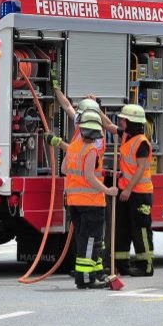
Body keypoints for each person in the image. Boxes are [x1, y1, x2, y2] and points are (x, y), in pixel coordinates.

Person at [51, 110, 117, 289]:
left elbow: (65, 169)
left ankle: (92, 272)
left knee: (84, 239)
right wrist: (108, 190)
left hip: (74, 202)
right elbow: (90, 177)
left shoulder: (73, 146)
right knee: (90, 240)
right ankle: (86, 278)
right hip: (92, 202)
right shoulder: (91, 150)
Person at [113, 104, 155, 277]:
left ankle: (146, 266)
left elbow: (141, 168)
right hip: (126, 190)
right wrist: (97, 109)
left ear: (130, 122)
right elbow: (109, 126)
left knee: (141, 229)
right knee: (122, 228)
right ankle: (121, 264)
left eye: (123, 119)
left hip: (139, 193)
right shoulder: (127, 136)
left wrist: (128, 189)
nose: (121, 122)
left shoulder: (141, 143)